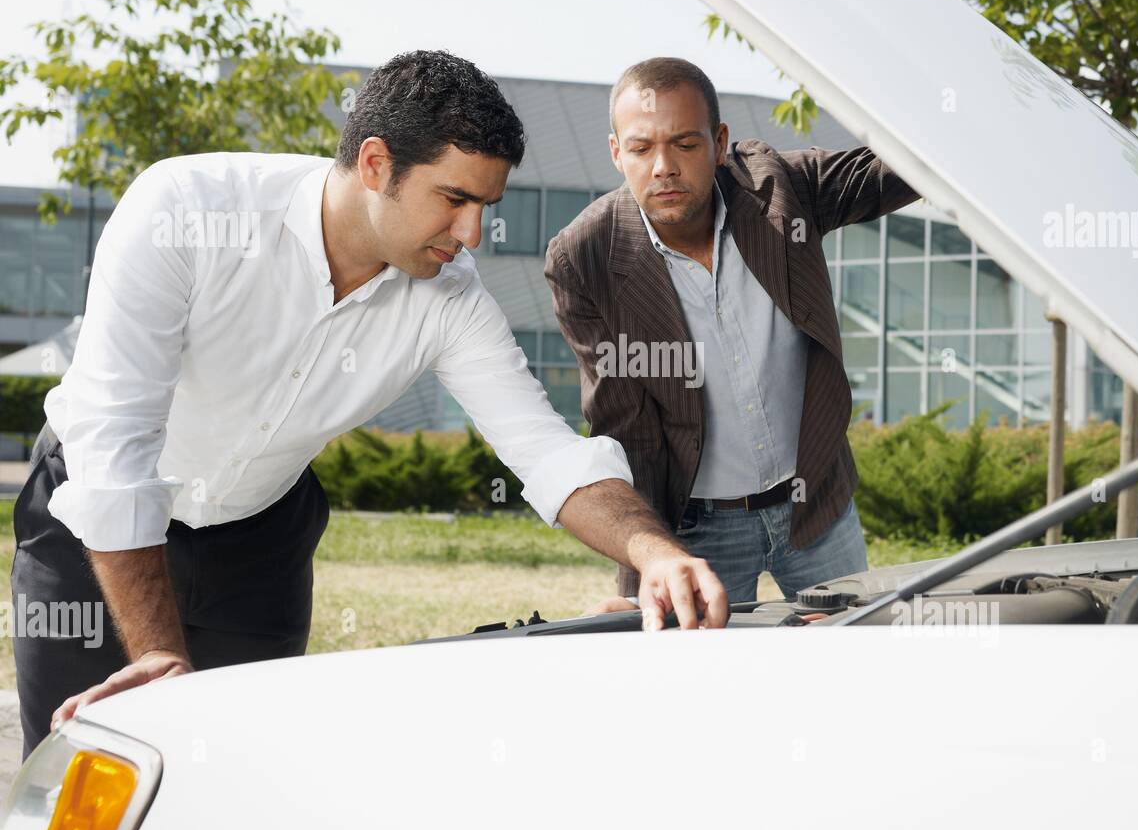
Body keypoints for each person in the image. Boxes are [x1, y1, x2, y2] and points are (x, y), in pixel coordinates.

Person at [12, 50, 726, 760]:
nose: (473, 234)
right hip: (93, 532)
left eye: (486, 206)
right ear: (378, 164)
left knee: (244, 778)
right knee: (78, 781)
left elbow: (545, 450)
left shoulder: (451, 298)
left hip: (259, 545)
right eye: (454, 199)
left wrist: (652, 549)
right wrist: (160, 656)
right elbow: (117, 445)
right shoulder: (184, 209)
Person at [545, 56, 919, 604]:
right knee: (704, 685)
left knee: (845, 667)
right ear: (616, 153)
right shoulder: (585, 259)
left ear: (720, 142)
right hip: (698, 532)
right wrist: (642, 569)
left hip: (814, 504)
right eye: (642, 147)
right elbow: (626, 428)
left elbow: (898, 170)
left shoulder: (779, 187)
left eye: (685, 144)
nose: (663, 167)